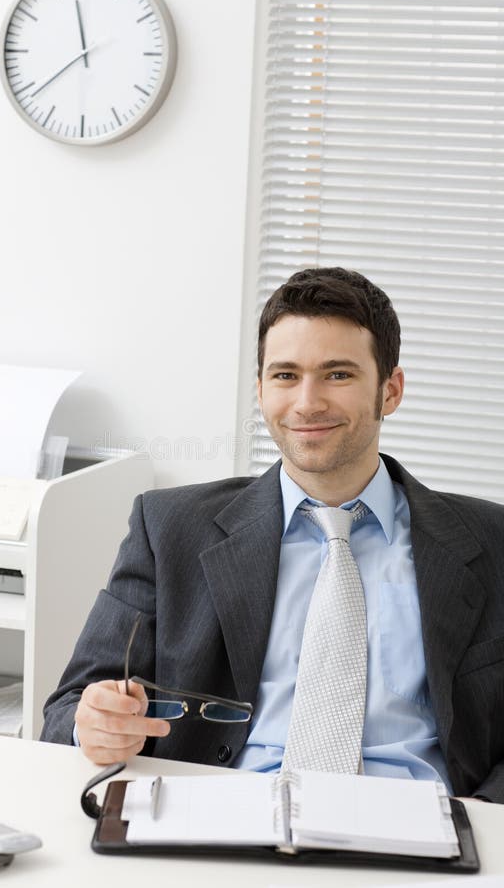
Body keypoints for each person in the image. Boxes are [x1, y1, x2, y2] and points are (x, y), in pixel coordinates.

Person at [41, 267, 504, 803]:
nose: (307, 403)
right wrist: (94, 724)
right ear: (260, 389)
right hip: (217, 820)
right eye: (285, 376)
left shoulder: (490, 542)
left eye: (338, 375)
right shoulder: (169, 527)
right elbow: (67, 709)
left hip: (418, 828)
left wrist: (479, 821)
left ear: (390, 390)